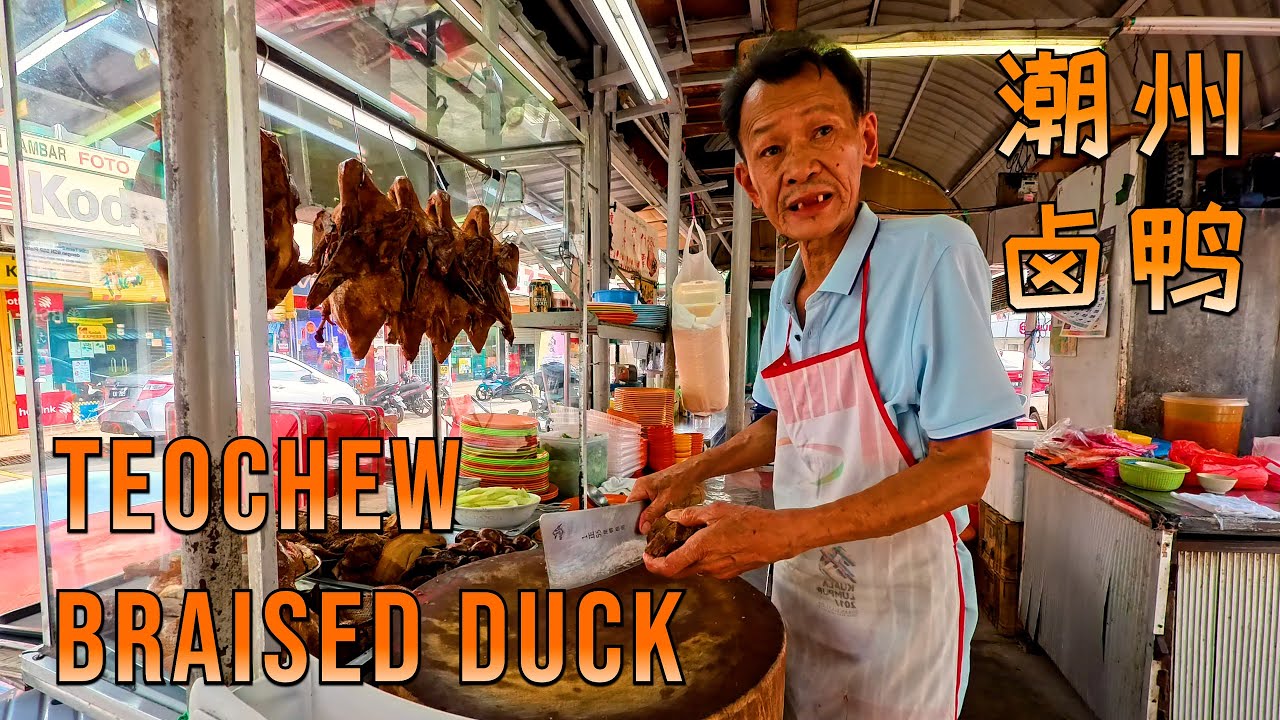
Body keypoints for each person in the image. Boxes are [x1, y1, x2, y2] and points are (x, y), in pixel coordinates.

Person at [629, 31, 1023, 720]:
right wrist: (691, 471)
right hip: (803, 605)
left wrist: (779, 533)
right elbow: (790, 421)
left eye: (822, 132)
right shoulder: (783, 295)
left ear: (865, 140)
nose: (801, 166)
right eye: (772, 148)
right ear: (750, 179)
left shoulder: (931, 257)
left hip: (900, 621)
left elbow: (964, 468)